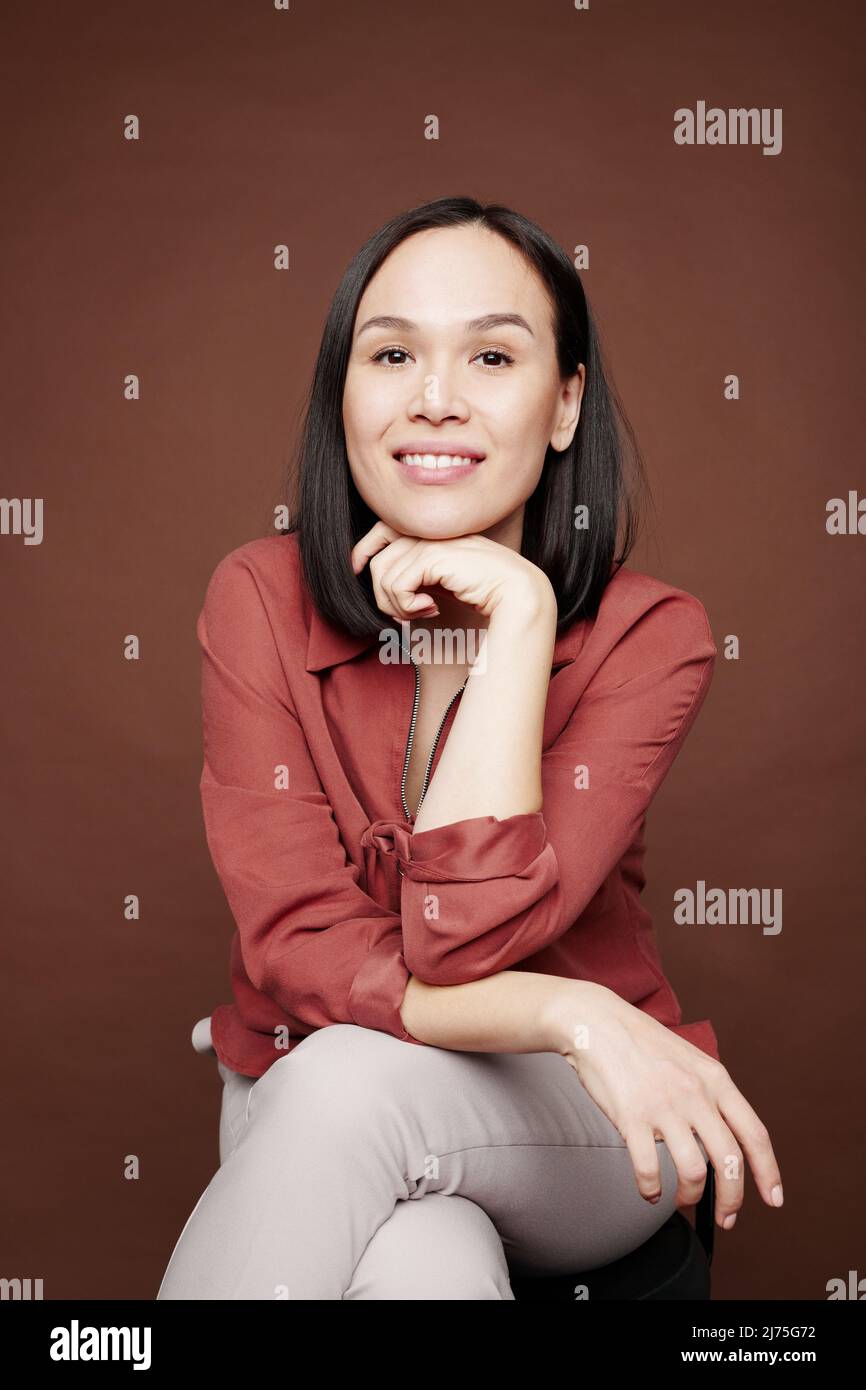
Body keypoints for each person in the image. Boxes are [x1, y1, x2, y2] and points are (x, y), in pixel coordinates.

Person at [157, 196, 783, 1300]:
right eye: (391, 352)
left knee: (347, 1079)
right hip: (334, 1082)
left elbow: (460, 943)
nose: (434, 399)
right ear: (341, 396)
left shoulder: (650, 634)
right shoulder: (256, 594)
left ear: (562, 404)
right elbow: (302, 949)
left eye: (491, 354)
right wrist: (571, 1008)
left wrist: (519, 622)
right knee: (418, 1259)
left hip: (567, 1110)